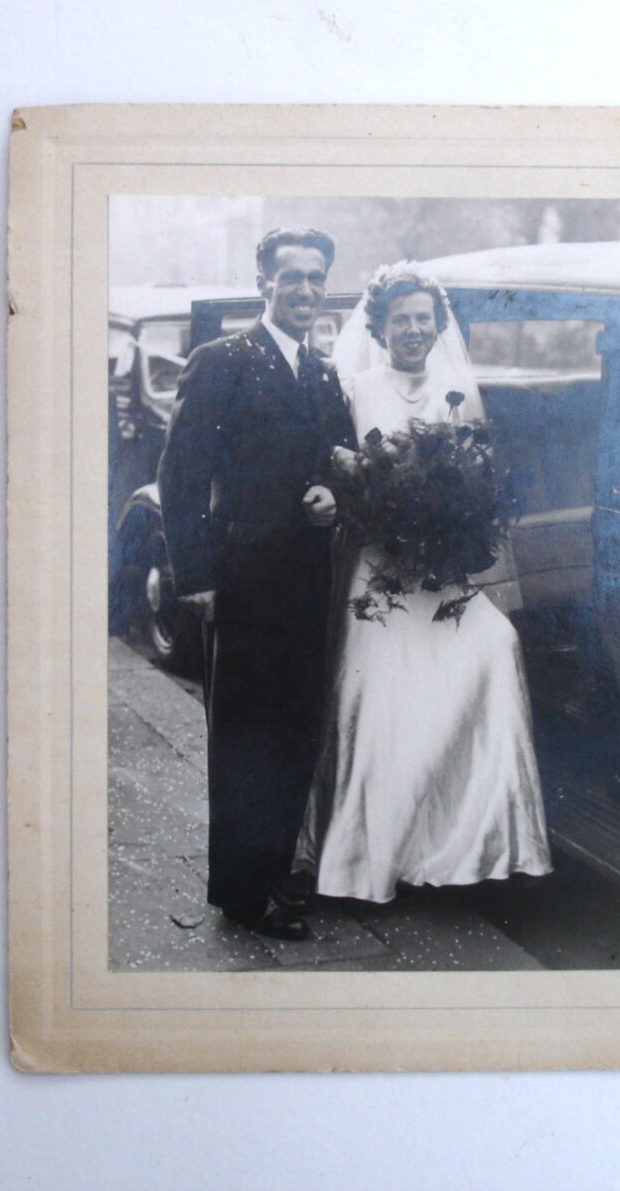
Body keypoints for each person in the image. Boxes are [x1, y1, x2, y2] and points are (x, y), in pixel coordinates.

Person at [295, 264, 553, 903]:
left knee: (497, 646)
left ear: (438, 327)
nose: (413, 329)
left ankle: (474, 842)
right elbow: (340, 477)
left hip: (440, 572)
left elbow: (477, 485)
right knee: (381, 690)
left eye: (423, 319)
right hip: (379, 572)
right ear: (378, 327)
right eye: (400, 319)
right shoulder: (352, 390)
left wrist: (447, 530)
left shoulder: (455, 387)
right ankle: (372, 855)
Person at [157, 228, 356, 940]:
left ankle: (273, 870)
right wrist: (198, 581)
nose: (305, 291)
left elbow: (343, 459)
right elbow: (179, 477)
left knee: (294, 727)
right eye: (292, 277)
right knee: (246, 737)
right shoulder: (225, 362)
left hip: (307, 581)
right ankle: (243, 893)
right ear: (265, 282)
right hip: (242, 582)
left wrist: (335, 492)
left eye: (316, 278)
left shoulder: (322, 372)